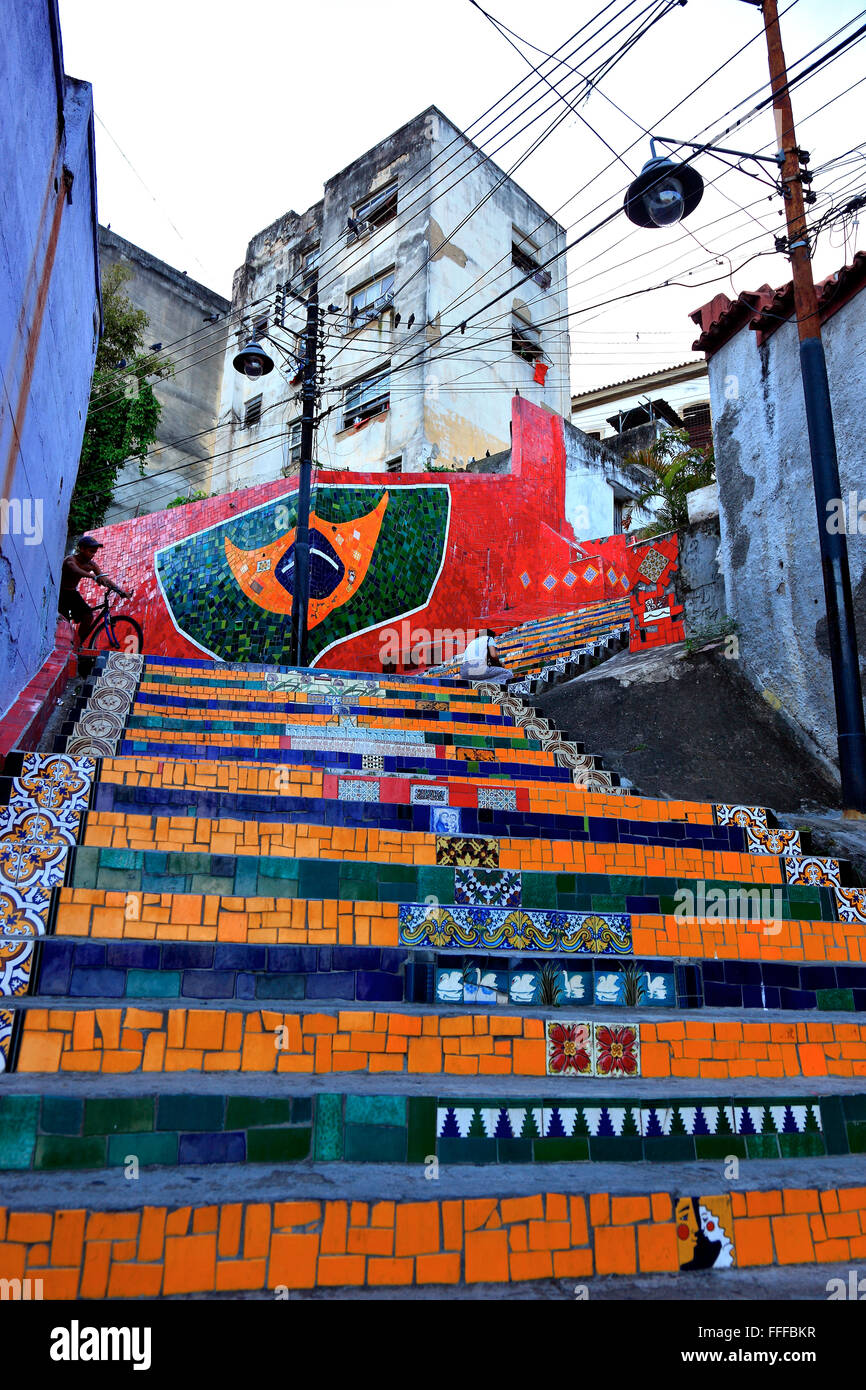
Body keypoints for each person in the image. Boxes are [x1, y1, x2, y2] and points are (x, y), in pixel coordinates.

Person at [59, 536, 133, 644]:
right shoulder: (71, 560)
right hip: (61, 593)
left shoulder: (91, 565)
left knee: (88, 616)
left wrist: (121, 592)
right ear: (82, 549)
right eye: (91, 551)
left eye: (94, 552)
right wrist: (92, 576)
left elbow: (104, 578)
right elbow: (75, 570)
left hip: (72, 593)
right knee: (64, 621)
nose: (93, 555)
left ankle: (77, 642)